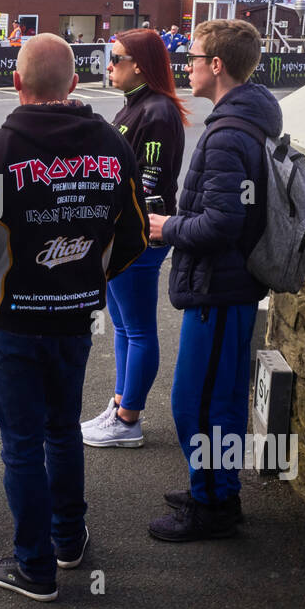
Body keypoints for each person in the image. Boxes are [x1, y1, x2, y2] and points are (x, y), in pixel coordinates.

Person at [0, 33, 147, 601]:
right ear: (75, 83)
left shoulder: (0, 149)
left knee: (23, 444)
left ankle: (34, 567)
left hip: (12, 323)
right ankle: (68, 540)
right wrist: (88, 276)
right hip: (74, 320)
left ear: (16, 83)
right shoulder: (112, 143)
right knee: (62, 431)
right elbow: (132, 236)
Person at [148, 19, 281, 542]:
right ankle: (216, 489)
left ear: (217, 66)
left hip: (219, 289)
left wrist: (167, 228)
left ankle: (213, 505)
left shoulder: (227, 134)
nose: (188, 64)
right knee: (218, 399)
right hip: (228, 289)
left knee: (197, 402)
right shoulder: (245, 120)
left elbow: (223, 222)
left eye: (195, 56)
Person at [80, 30, 187, 448]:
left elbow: (151, 183)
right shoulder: (137, 107)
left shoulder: (156, 111)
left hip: (139, 235)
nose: (109, 65)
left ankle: (128, 419)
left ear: (139, 63)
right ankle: (121, 405)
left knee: (138, 329)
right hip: (125, 231)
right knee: (124, 327)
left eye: (117, 58)